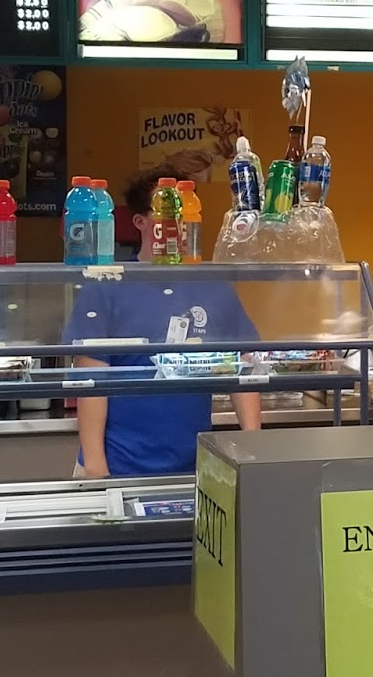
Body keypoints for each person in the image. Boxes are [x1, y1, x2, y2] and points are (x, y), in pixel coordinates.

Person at [67, 168, 260, 478]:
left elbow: (245, 367)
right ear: (140, 222)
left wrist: (254, 451)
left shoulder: (214, 286)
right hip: (117, 464)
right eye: (165, 214)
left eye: (183, 214)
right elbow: (91, 383)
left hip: (197, 466)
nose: (176, 225)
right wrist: (95, 467)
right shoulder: (107, 285)